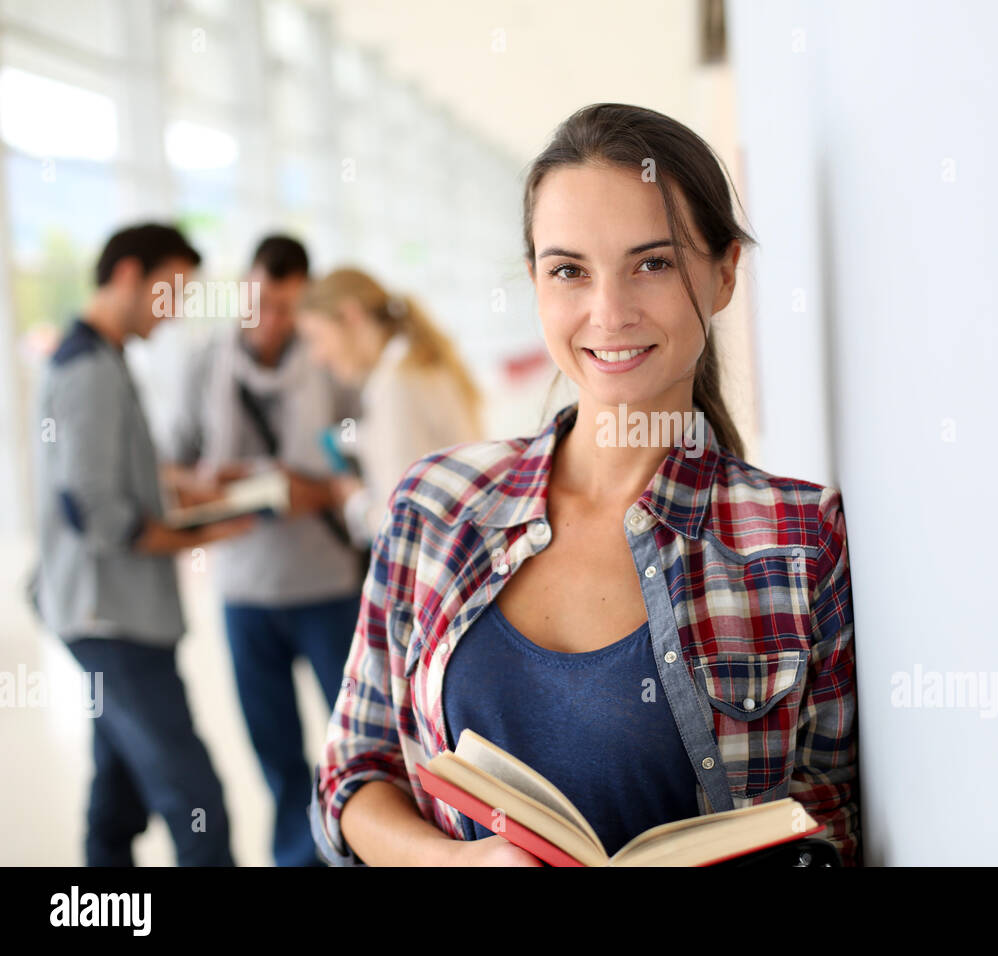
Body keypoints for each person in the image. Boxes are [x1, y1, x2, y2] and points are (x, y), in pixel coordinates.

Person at [310, 103, 861, 867]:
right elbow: (353, 773)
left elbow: (832, 816)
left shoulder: (798, 541)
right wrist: (456, 863)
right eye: (568, 270)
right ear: (535, 279)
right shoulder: (434, 506)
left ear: (725, 271)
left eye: (654, 263)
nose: (609, 313)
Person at [32, 222, 255, 866]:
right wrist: (204, 534)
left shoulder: (100, 359)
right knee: (198, 804)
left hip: (115, 616)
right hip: (113, 621)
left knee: (116, 802)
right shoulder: (89, 370)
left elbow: (114, 475)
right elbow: (97, 511)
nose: (176, 309)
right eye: (171, 291)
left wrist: (196, 486)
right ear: (129, 274)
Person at [163, 235, 364, 867]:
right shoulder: (206, 363)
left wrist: (325, 488)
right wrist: (203, 485)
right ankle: (295, 860)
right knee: (276, 754)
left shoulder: (328, 358)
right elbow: (173, 462)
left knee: (355, 746)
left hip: (328, 585)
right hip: (245, 593)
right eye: (259, 303)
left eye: (285, 308)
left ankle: (357, 853)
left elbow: (367, 460)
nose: (269, 321)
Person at [294, 267, 485, 548]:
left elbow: (400, 520)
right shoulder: (414, 366)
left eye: (317, 338)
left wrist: (354, 500)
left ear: (350, 315)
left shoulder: (397, 383)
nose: (317, 357)